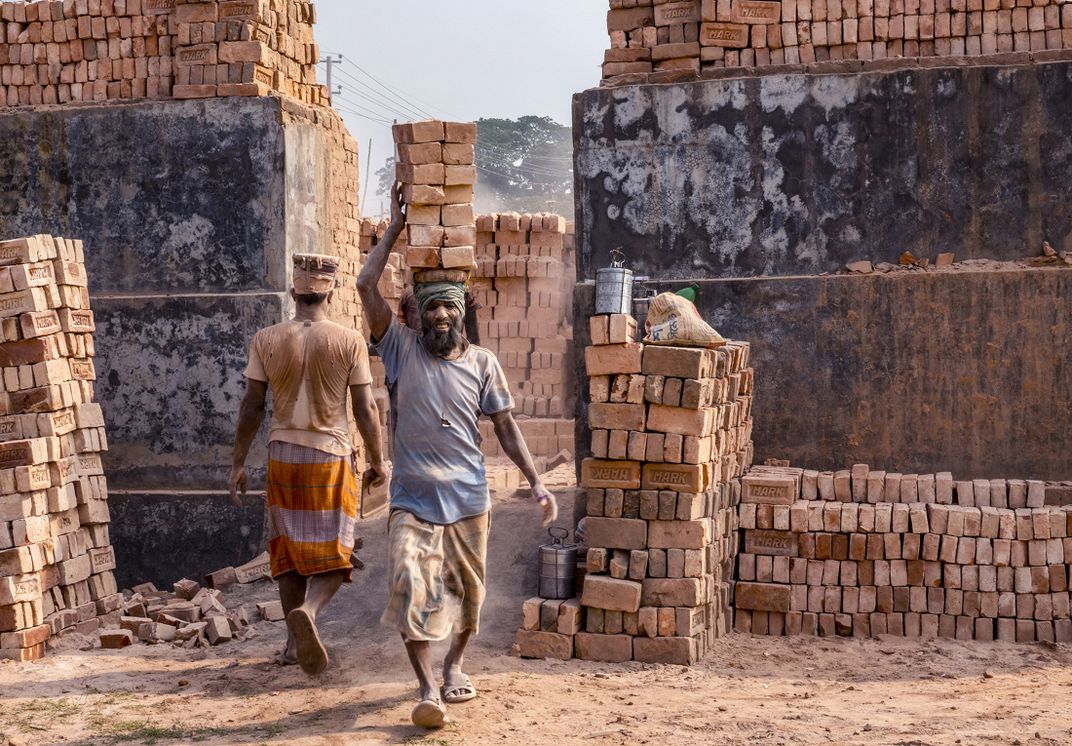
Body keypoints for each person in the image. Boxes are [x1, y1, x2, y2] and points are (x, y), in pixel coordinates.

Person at [357, 184, 557, 729]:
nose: (440, 315)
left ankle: (455, 666)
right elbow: (362, 284)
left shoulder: (485, 363)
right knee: (410, 588)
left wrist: (536, 481)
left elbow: (507, 429)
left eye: (449, 305)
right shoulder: (398, 349)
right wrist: (396, 227)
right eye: (431, 307)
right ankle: (426, 689)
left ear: (461, 312)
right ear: (417, 316)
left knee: (470, 600)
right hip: (413, 502)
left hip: (469, 498)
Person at [229, 253, 387, 676]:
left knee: (286, 550)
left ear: (294, 290)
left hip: (283, 453)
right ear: (330, 290)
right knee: (338, 551)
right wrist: (378, 459)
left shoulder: (266, 339)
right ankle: (311, 613)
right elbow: (365, 407)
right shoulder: (349, 340)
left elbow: (251, 406)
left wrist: (238, 464)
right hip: (329, 454)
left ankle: (289, 644)